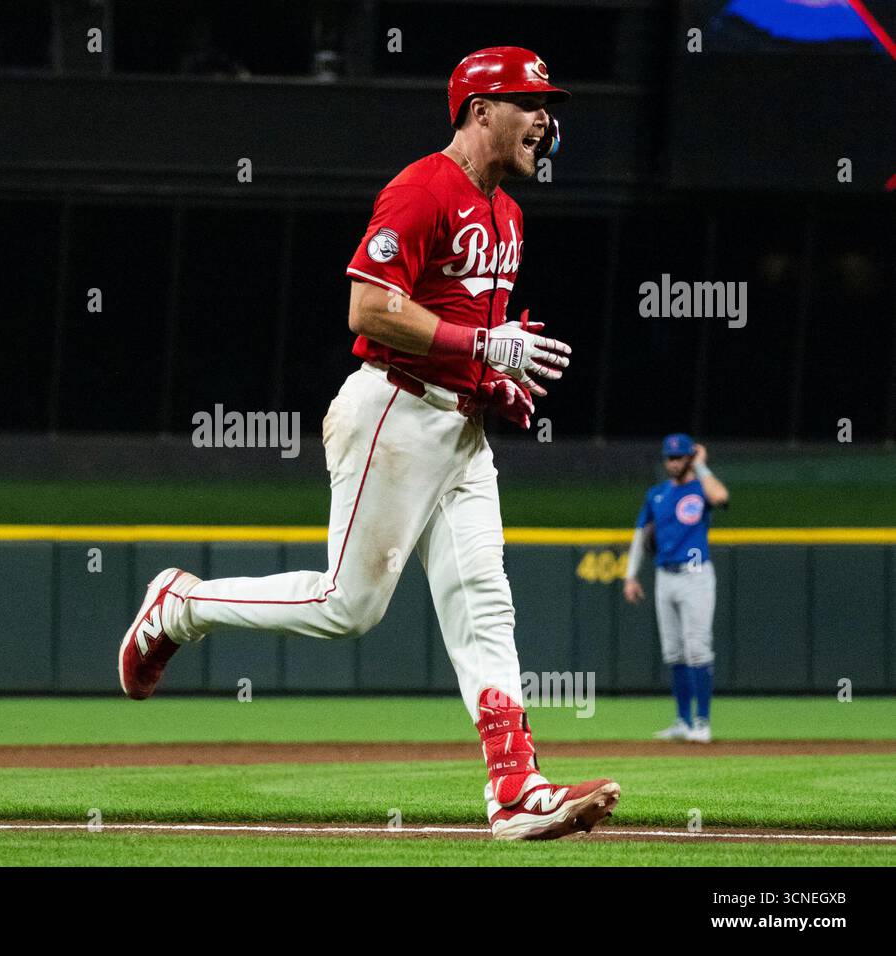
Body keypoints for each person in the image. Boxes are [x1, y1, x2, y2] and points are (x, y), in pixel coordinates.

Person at [118, 48, 620, 840]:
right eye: (529, 102)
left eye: (548, 103)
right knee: (347, 607)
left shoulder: (509, 215)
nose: (545, 118)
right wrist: (486, 351)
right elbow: (369, 310)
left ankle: (516, 790)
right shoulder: (424, 189)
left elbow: (462, 337)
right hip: (394, 413)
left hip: (459, 428)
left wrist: (494, 377)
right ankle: (180, 605)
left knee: (485, 605)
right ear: (478, 110)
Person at [623, 434, 730, 743]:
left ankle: (702, 722)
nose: (672, 462)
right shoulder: (656, 494)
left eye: (679, 457)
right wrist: (631, 576)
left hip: (696, 575)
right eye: (669, 457)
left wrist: (702, 467)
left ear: (689, 458)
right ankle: (683, 721)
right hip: (664, 577)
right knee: (674, 651)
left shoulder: (701, 488)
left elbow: (722, 497)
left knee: (697, 647)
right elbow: (640, 536)